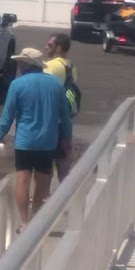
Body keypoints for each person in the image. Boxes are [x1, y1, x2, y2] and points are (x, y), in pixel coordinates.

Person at [0, 47, 73, 230]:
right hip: (48, 142)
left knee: (22, 180)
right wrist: (67, 140)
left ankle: (24, 222)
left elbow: (8, 115)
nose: (18, 65)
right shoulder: (55, 85)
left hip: (25, 142)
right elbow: (65, 117)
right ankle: (36, 224)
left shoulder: (17, 85)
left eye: (20, 62)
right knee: (43, 183)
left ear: (26, 64)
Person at [44, 33, 78, 182]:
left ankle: (44, 199)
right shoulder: (71, 66)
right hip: (65, 121)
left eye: (50, 45)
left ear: (59, 47)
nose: (46, 48)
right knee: (63, 166)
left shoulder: (51, 66)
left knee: (45, 168)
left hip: (51, 121)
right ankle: (64, 199)